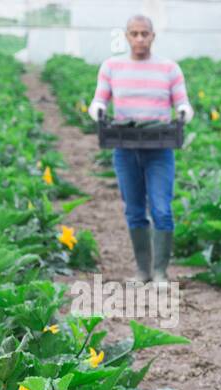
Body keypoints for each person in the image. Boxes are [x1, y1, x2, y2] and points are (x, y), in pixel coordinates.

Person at [87, 14, 192, 284]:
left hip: (159, 147)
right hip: (125, 146)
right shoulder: (111, 67)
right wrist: (97, 110)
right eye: (134, 34)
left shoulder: (169, 69)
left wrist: (183, 112)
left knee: (162, 209)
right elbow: (99, 98)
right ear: (126, 36)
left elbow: (183, 102)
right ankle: (143, 270)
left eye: (144, 33)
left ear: (153, 36)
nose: (139, 39)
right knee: (134, 210)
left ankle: (160, 272)